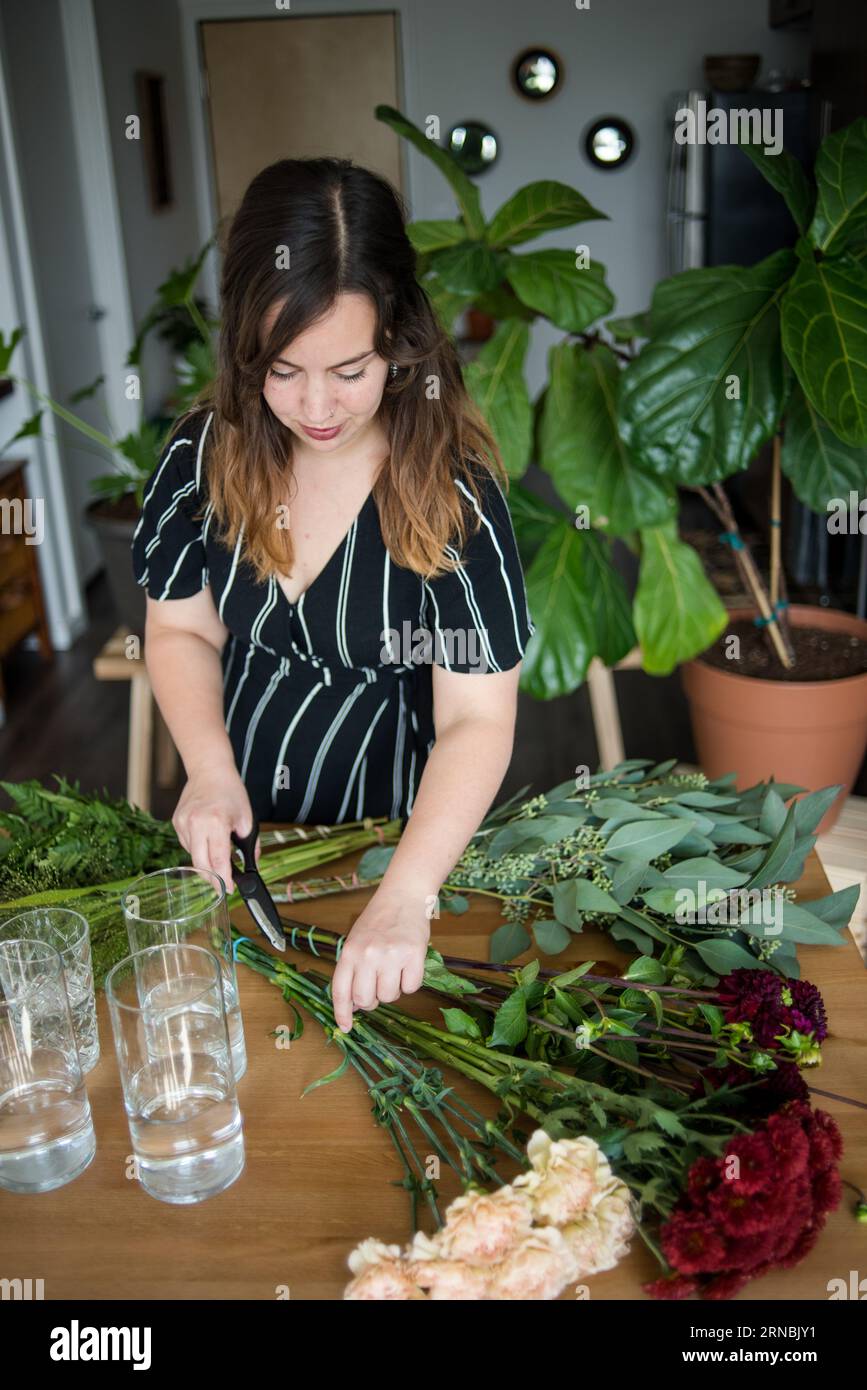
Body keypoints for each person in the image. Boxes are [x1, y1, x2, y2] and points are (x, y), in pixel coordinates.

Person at [132, 157, 535, 1032]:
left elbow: (476, 720)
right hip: (243, 838)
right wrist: (207, 771)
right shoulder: (204, 453)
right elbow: (181, 631)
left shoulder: (448, 491)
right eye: (281, 371)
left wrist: (407, 896)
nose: (315, 406)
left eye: (349, 370)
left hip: (388, 848)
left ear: (397, 337)